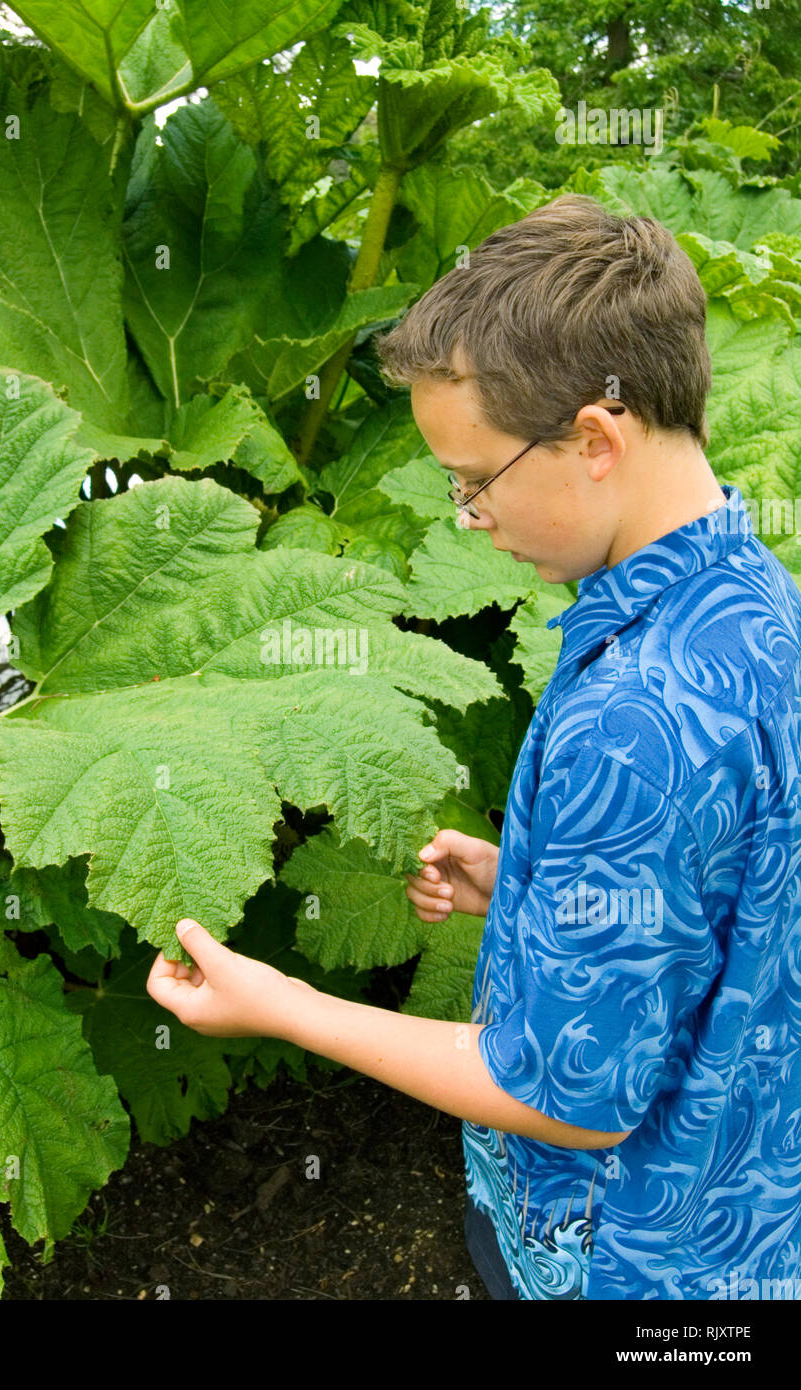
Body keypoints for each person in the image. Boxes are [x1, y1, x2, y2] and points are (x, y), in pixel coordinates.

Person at [147, 194, 801, 1301]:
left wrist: (278, 1003)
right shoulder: (757, 603)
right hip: (740, 1221)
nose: (466, 515)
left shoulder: (629, 720)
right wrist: (539, 890)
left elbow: (565, 1099)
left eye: (474, 479)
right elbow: (730, 903)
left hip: (616, 1259)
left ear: (594, 438)